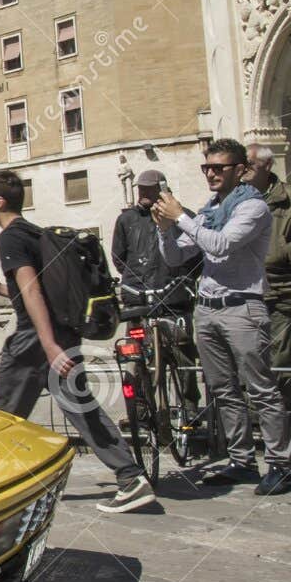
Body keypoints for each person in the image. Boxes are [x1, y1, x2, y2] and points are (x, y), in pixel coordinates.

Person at [0, 171, 156, 514]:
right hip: (62, 331)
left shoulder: (10, 238)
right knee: (80, 407)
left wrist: (47, 345)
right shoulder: (35, 233)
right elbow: (39, 290)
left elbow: (31, 291)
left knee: (2, 415)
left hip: (35, 339)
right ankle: (130, 477)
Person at [153, 138, 291, 494]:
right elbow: (175, 258)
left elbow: (220, 244)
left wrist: (180, 217)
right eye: (207, 168)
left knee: (260, 389)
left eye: (219, 168)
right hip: (208, 308)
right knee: (222, 390)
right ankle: (242, 459)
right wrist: (164, 229)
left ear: (240, 170)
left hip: (243, 307)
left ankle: (280, 464)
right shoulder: (211, 209)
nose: (211, 174)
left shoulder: (253, 207)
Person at [242, 145, 291, 418]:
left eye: (249, 163)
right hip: (246, 290)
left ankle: (282, 411)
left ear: (267, 165)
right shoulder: (236, 197)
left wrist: (282, 252)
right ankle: (254, 412)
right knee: (249, 351)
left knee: (281, 352)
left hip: (281, 288)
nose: (244, 168)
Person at [111, 168, 199, 405]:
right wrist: (134, 279)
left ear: (162, 189)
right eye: (140, 188)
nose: (142, 193)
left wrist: (180, 280)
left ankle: (189, 408)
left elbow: (196, 259)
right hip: (138, 301)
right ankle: (140, 407)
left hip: (174, 301)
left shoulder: (183, 216)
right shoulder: (127, 220)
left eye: (148, 188)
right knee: (136, 355)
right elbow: (118, 257)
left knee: (183, 357)